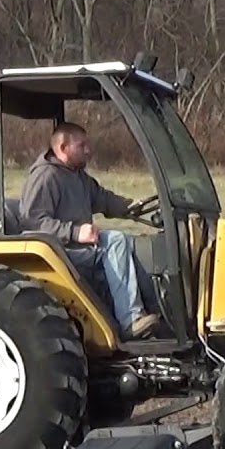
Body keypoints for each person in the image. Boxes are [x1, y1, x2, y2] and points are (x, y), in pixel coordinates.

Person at [18, 121, 160, 340]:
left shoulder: (77, 176)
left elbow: (102, 199)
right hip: (61, 251)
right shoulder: (46, 177)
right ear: (63, 148)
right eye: (81, 145)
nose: (88, 150)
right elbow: (32, 221)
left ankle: (156, 312)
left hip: (78, 246)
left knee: (132, 244)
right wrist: (75, 232)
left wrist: (134, 207)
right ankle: (130, 320)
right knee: (115, 241)